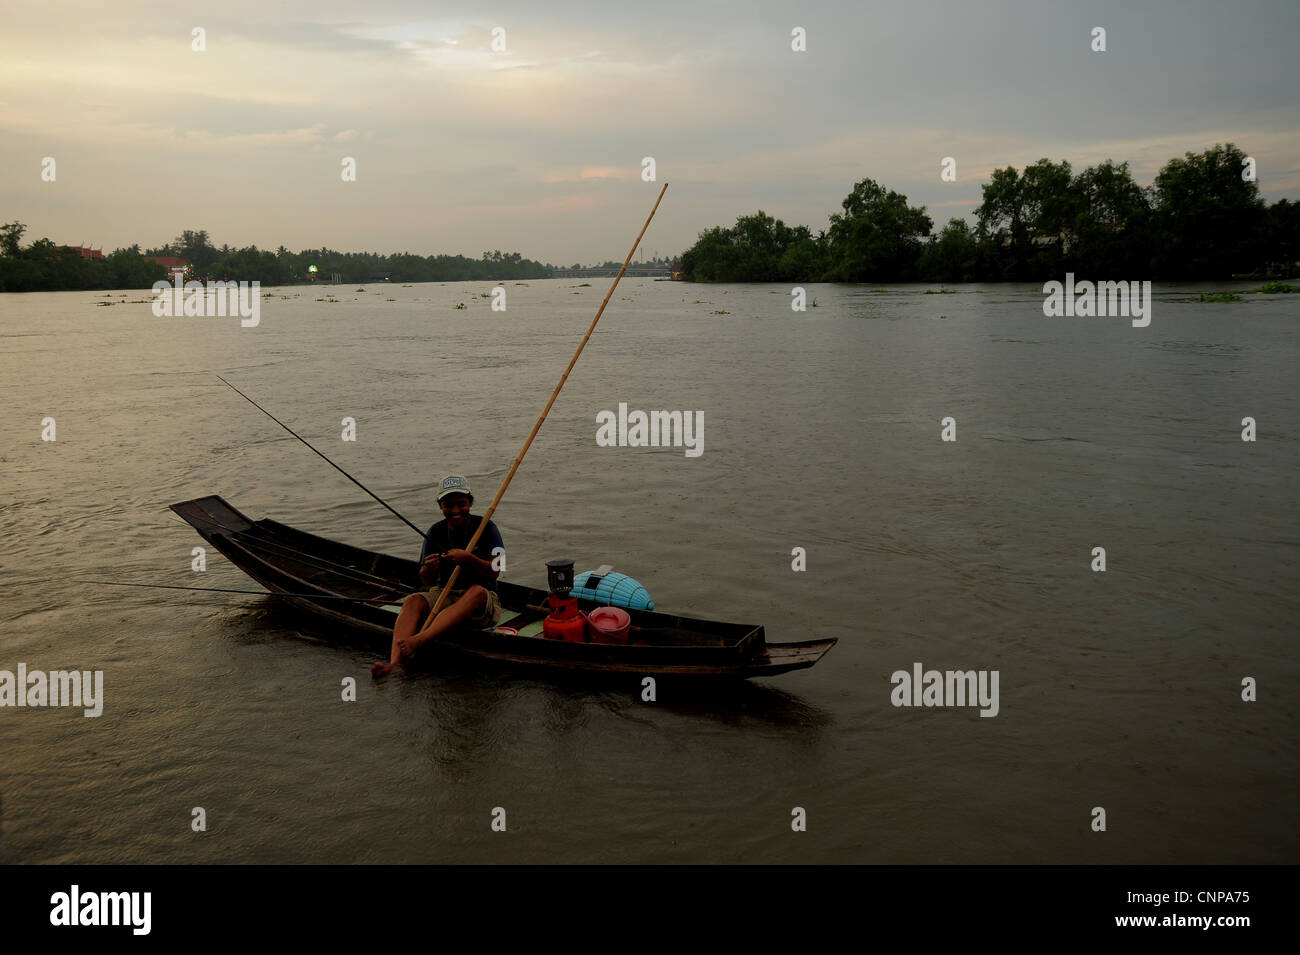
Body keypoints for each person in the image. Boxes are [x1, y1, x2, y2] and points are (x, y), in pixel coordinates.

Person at [370, 475, 504, 676]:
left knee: (476, 591)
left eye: (461, 504)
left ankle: (419, 640)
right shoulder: (435, 531)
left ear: (470, 503)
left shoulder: (488, 527)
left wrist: (469, 559)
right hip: (443, 594)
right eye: (448, 505)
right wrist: (429, 569)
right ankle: (395, 664)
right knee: (413, 600)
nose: (455, 510)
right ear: (441, 507)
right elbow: (425, 581)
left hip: (480, 601)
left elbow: (497, 570)